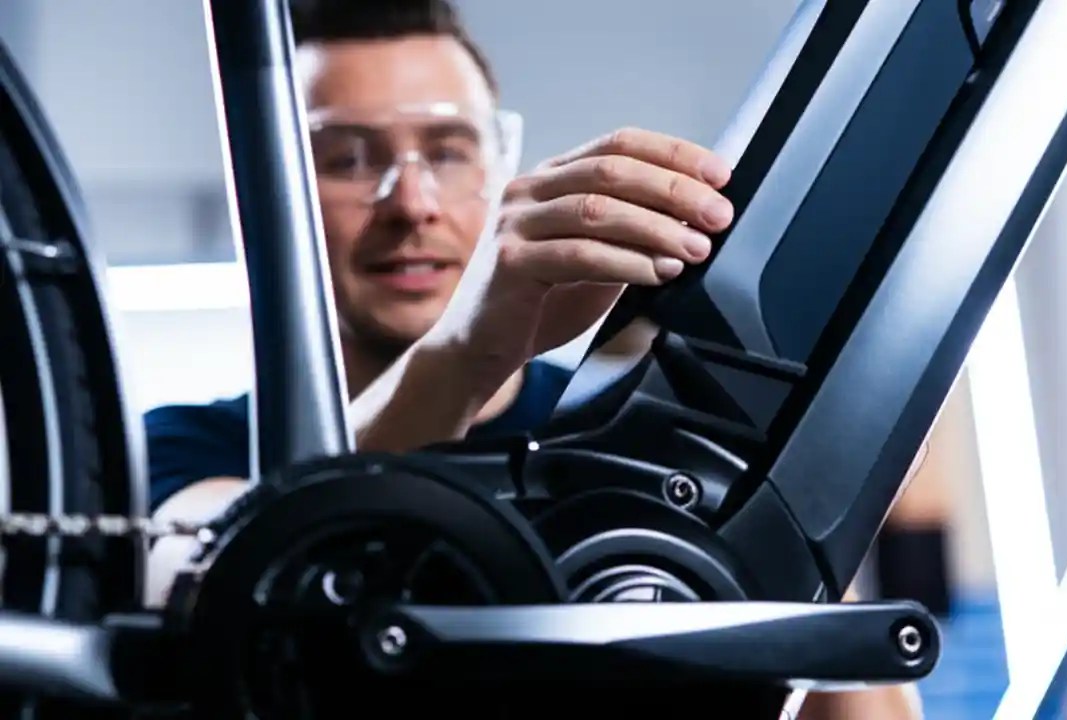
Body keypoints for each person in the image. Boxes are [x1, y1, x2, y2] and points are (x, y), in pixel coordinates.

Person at [144, 1, 923, 717]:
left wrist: (764, 481)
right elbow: (209, 561)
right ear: (272, 190)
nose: (412, 202)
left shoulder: (619, 438)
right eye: (347, 158)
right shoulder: (182, 448)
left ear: (498, 167)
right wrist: (467, 349)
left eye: (448, 152)